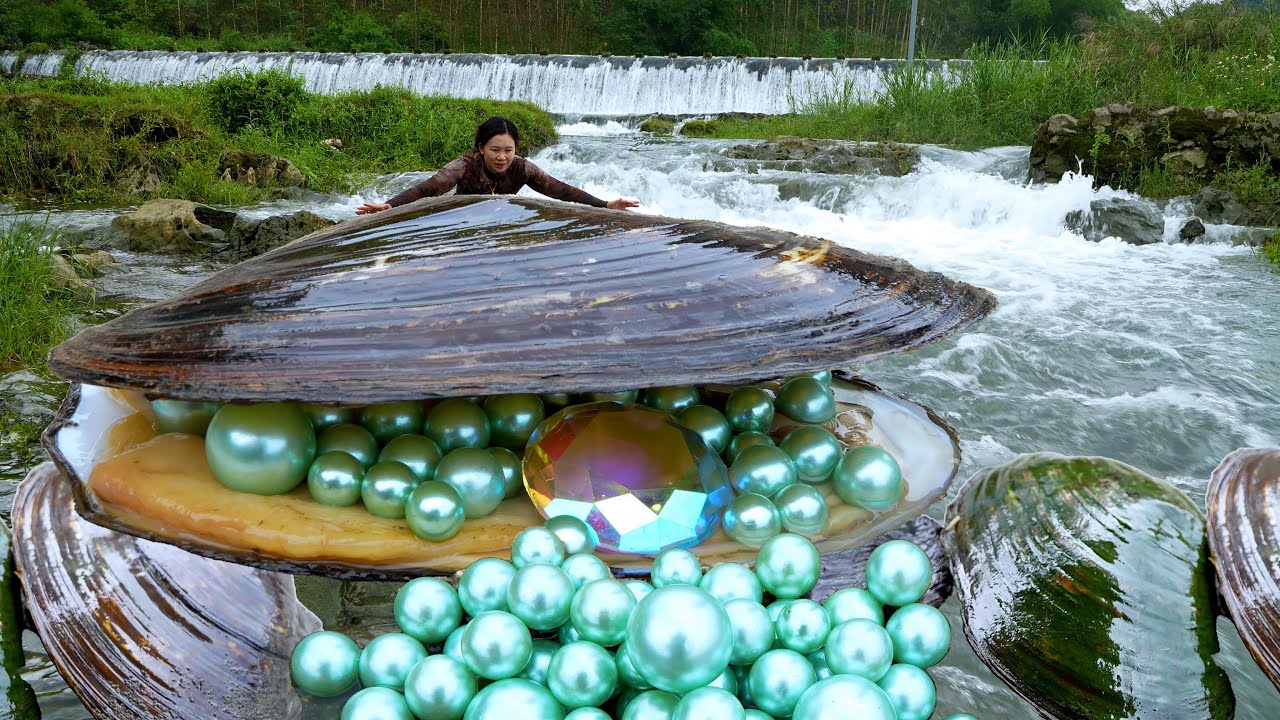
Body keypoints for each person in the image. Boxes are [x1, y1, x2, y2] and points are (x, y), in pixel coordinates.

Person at [355, 116, 640, 214]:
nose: (502, 157)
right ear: (481, 149)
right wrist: (390, 206)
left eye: (508, 150)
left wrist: (605, 206)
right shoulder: (464, 165)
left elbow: (561, 191)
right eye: (495, 150)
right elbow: (429, 189)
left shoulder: (522, 168)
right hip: (463, 220)